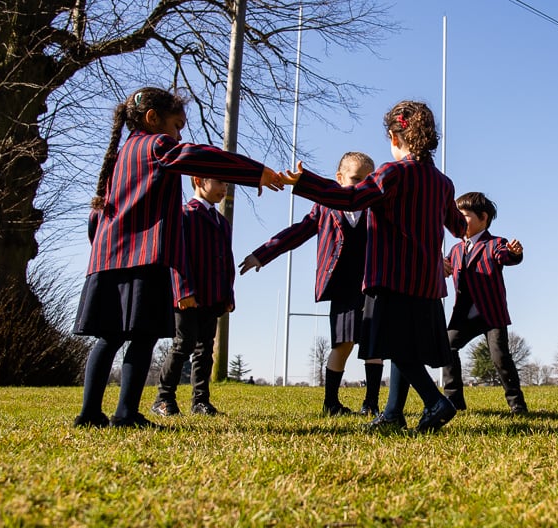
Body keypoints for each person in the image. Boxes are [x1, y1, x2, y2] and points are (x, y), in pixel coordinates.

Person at [72, 87, 283, 429]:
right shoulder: (156, 146)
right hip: (144, 257)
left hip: (108, 260)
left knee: (109, 337)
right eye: (176, 124)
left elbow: (97, 218)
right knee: (142, 337)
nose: (179, 134)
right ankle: (126, 413)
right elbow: (199, 156)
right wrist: (256, 172)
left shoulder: (120, 155)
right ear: (153, 119)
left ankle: (90, 414)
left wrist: (100, 249)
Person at [277, 100, 467, 433]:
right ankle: (393, 415)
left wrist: (304, 181)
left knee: (395, 346)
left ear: (395, 138)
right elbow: (458, 226)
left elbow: (350, 199)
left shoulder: (391, 173)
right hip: (427, 282)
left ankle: (436, 401)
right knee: (406, 348)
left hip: (391, 277)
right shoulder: (443, 182)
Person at [239, 151, 385, 417]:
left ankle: (372, 403)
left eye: (368, 180)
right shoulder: (325, 209)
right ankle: (331, 403)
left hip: (372, 284)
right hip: (341, 286)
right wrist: (262, 254)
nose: (362, 184)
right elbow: (297, 232)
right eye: (355, 179)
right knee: (342, 344)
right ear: (339, 179)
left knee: (373, 344)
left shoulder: (377, 208)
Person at [150, 175, 234, 418]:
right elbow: (177, 256)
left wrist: (228, 294)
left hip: (213, 295)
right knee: (183, 344)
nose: (223, 187)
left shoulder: (222, 221)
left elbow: (226, 260)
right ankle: (163, 398)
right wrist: (183, 290)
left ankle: (200, 401)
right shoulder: (184, 215)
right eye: (219, 182)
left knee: (205, 348)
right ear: (198, 180)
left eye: (225, 183)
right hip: (188, 295)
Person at [441, 192, 529, 415]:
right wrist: (440, 267)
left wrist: (514, 253)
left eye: (465, 216)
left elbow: (506, 257)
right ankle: (453, 400)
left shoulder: (495, 243)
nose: (459, 220)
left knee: (500, 358)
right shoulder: (456, 249)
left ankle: (516, 403)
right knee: (446, 347)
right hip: (463, 316)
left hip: (491, 314)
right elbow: (447, 268)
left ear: (483, 218)